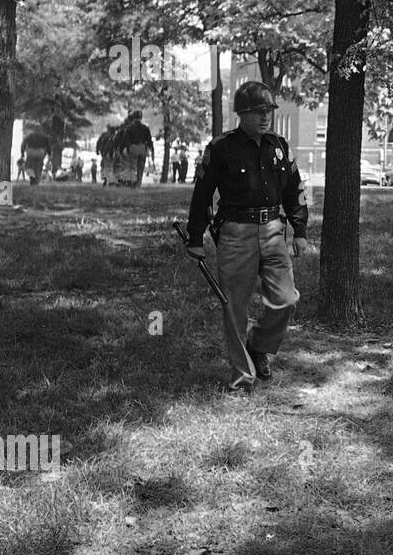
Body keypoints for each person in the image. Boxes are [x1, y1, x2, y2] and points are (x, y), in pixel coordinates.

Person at [184, 82, 307, 391]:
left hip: (273, 232)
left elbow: (294, 190)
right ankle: (243, 377)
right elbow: (202, 195)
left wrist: (300, 229)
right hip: (236, 235)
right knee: (234, 307)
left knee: (287, 300)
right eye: (257, 112)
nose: (265, 117)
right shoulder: (221, 148)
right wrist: (195, 238)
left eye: (268, 111)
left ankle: (259, 346)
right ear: (241, 114)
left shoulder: (280, 146)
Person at [125, 111, 155, 187]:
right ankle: (138, 184)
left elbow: (126, 140)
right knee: (140, 168)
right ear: (141, 118)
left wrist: (128, 148)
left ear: (134, 118)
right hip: (142, 148)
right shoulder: (145, 128)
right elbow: (149, 140)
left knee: (132, 167)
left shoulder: (129, 128)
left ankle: (132, 183)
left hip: (133, 147)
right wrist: (151, 149)